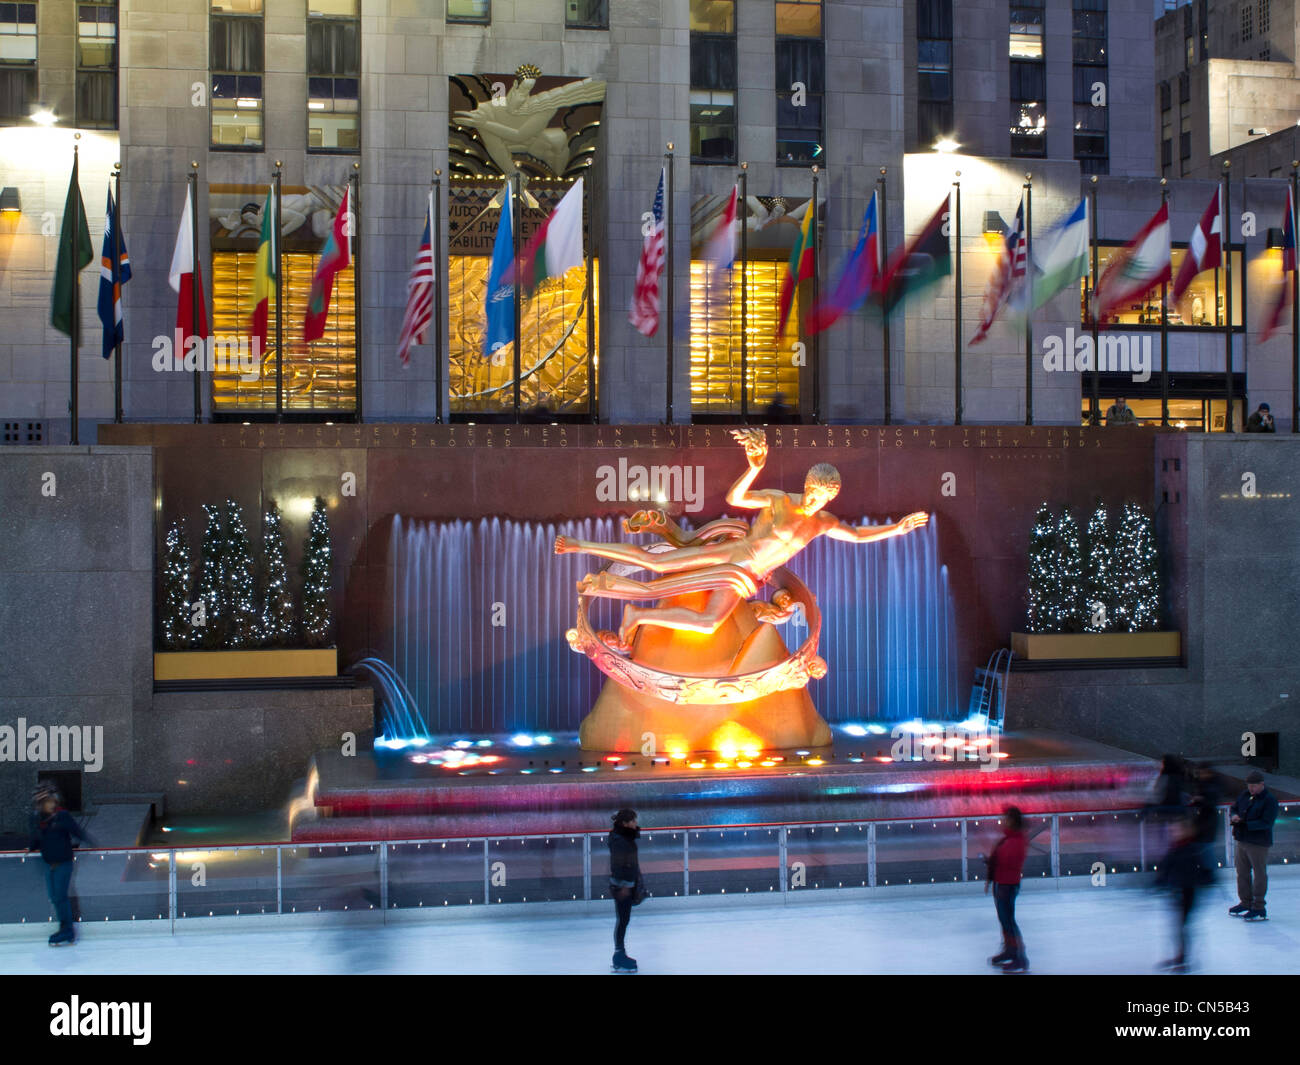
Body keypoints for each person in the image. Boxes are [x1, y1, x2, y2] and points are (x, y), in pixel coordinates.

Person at [557, 428, 928, 649]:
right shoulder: (780, 501)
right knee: (655, 562)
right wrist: (754, 468)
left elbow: (859, 535)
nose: (815, 501)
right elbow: (735, 499)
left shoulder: (823, 522)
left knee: (707, 623)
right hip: (732, 554)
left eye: (823, 497)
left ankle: (637, 615)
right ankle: (581, 545)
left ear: (831, 498)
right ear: (806, 485)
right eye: (813, 492)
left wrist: (896, 528)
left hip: (745, 578)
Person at [28, 784, 95, 946]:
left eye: (52, 800)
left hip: (63, 862)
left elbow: (77, 831)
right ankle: (65, 928)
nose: (51, 804)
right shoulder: (37, 819)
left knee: (60, 896)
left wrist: (88, 842)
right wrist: (30, 847)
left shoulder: (62, 816)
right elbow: (37, 839)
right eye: (47, 801)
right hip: (48, 863)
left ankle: (67, 929)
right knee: (54, 896)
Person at [1155, 816, 1212, 972]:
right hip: (1177, 891)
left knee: (1182, 927)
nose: (1173, 832)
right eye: (1172, 830)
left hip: (1188, 892)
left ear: (1187, 831)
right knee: (1179, 927)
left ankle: (1183, 958)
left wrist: (1200, 881)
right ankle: (1181, 955)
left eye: (1177, 829)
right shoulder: (1175, 848)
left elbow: (1206, 872)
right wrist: (1159, 882)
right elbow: (1166, 867)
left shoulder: (1192, 849)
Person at [1229, 770, 1278, 921]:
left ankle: (1259, 906)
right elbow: (1234, 808)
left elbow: (1266, 822)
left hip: (1258, 843)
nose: (1251, 789)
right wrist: (1235, 816)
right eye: (1249, 785)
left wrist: (1246, 824)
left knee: (1259, 875)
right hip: (1242, 840)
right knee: (1242, 873)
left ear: (1262, 784)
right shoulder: (1244, 795)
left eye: (1254, 786)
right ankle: (1246, 902)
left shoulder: (1269, 800)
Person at [986, 805, 1029, 973]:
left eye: (1006, 818)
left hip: (1007, 886)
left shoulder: (1016, 841)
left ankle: (1020, 957)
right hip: (1002, 884)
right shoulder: (1010, 839)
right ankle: (1010, 951)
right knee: (1005, 921)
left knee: (1009, 921)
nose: (1003, 821)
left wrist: (993, 862)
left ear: (1012, 821)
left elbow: (1008, 861)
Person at [608, 808, 642, 973]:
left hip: (623, 884)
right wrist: (625, 886)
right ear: (625, 823)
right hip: (622, 886)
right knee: (623, 919)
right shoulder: (621, 840)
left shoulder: (622, 837)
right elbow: (622, 864)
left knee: (623, 919)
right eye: (633, 821)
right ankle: (619, 955)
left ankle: (619, 954)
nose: (636, 824)